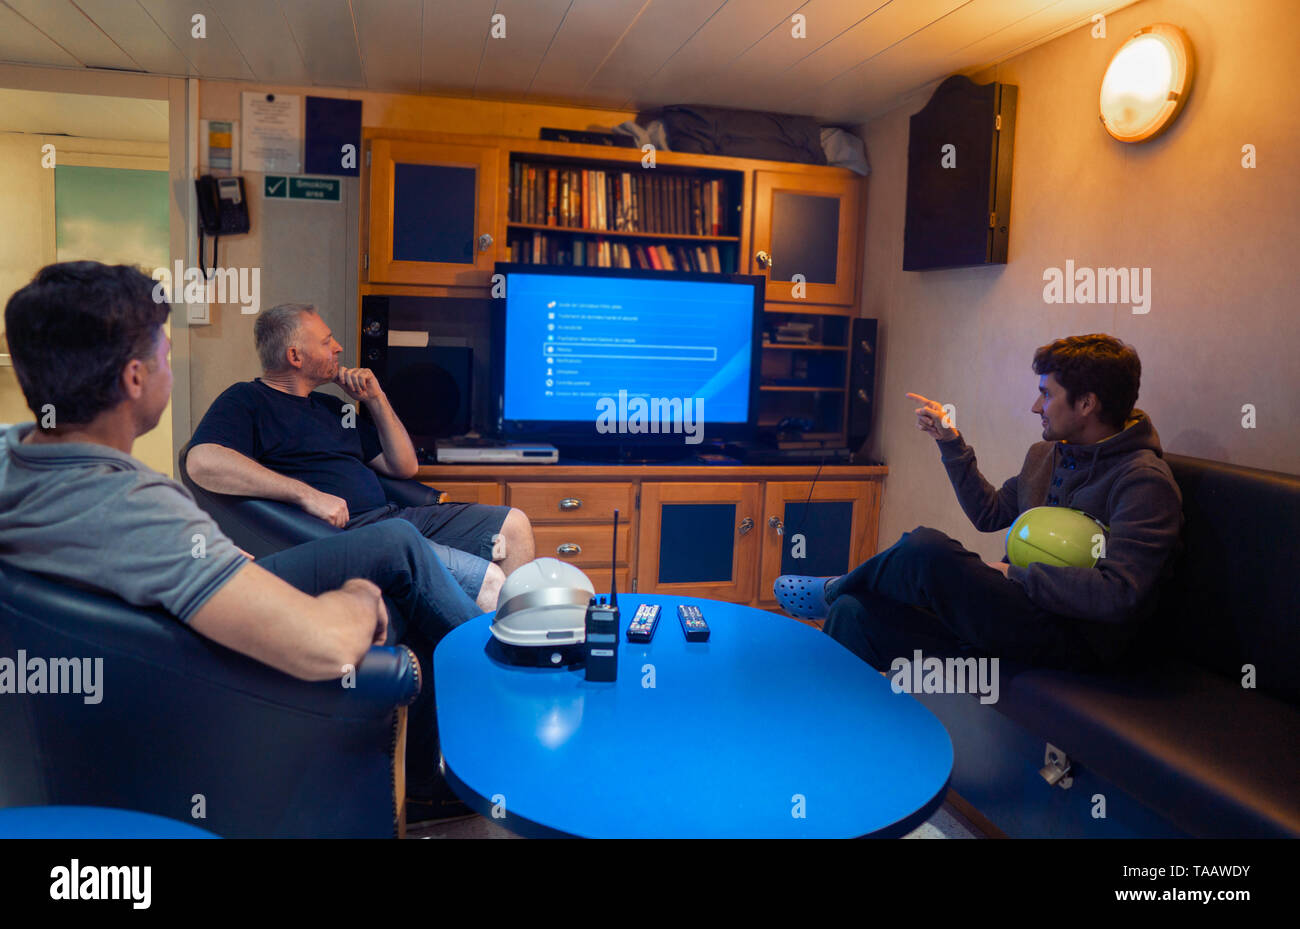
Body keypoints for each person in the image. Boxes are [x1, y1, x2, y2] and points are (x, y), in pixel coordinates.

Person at [0, 261, 478, 802]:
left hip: (98, 707)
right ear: (135, 378)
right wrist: (361, 596)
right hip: (205, 711)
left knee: (397, 543)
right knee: (391, 575)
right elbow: (324, 649)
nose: (171, 365)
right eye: (163, 349)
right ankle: (501, 686)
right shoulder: (139, 512)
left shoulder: (11, 454)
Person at [774, 334, 1183, 672]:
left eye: (1047, 394)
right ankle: (828, 742)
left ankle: (831, 588)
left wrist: (1014, 574)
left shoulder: (1142, 481)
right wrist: (950, 442)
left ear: (1087, 403)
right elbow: (989, 514)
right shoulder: (1047, 455)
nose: (1036, 407)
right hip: (1016, 614)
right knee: (853, 612)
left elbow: (1121, 593)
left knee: (926, 549)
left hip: (1074, 638)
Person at [184, 302, 534, 612]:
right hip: (352, 536)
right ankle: (498, 669)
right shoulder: (247, 400)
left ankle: (520, 650)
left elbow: (403, 465)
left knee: (514, 526)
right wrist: (306, 494)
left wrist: (376, 399)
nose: (338, 348)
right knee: (488, 580)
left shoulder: (333, 407)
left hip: (396, 519)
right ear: (295, 356)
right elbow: (202, 461)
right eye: (326, 342)